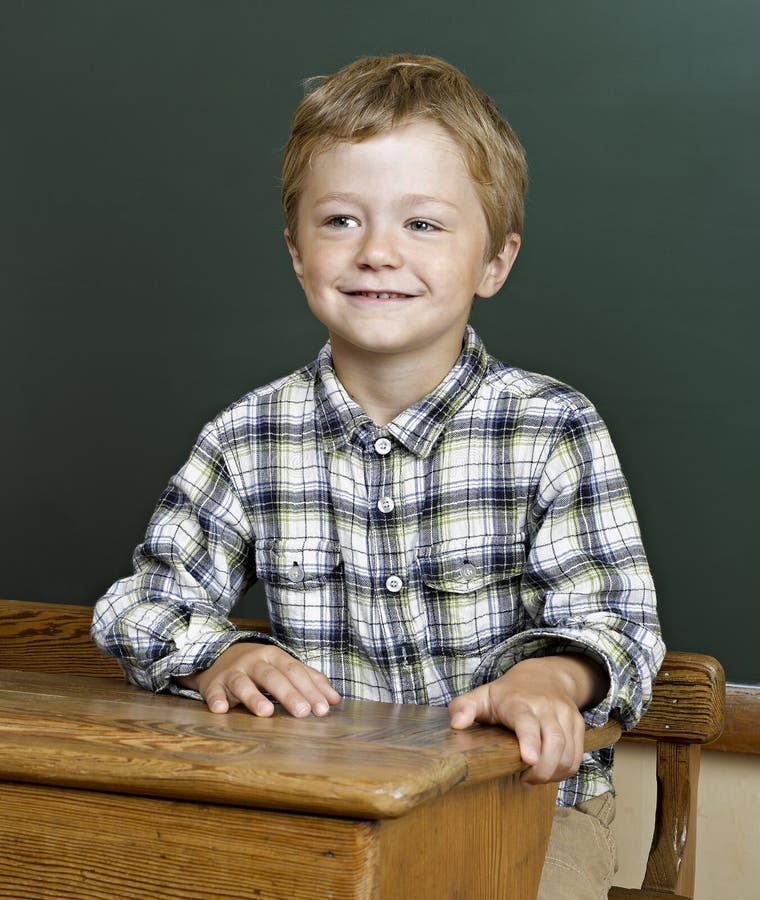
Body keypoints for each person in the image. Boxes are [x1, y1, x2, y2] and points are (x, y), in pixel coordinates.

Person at [92, 54, 664, 899]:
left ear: (495, 262)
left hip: (529, 811)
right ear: (296, 251)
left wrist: (550, 678)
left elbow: (618, 624)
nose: (377, 254)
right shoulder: (249, 437)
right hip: (324, 811)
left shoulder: (552, 428)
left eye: (424, 225)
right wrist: (221, 654)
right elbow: (137, 607)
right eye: (340, 221)